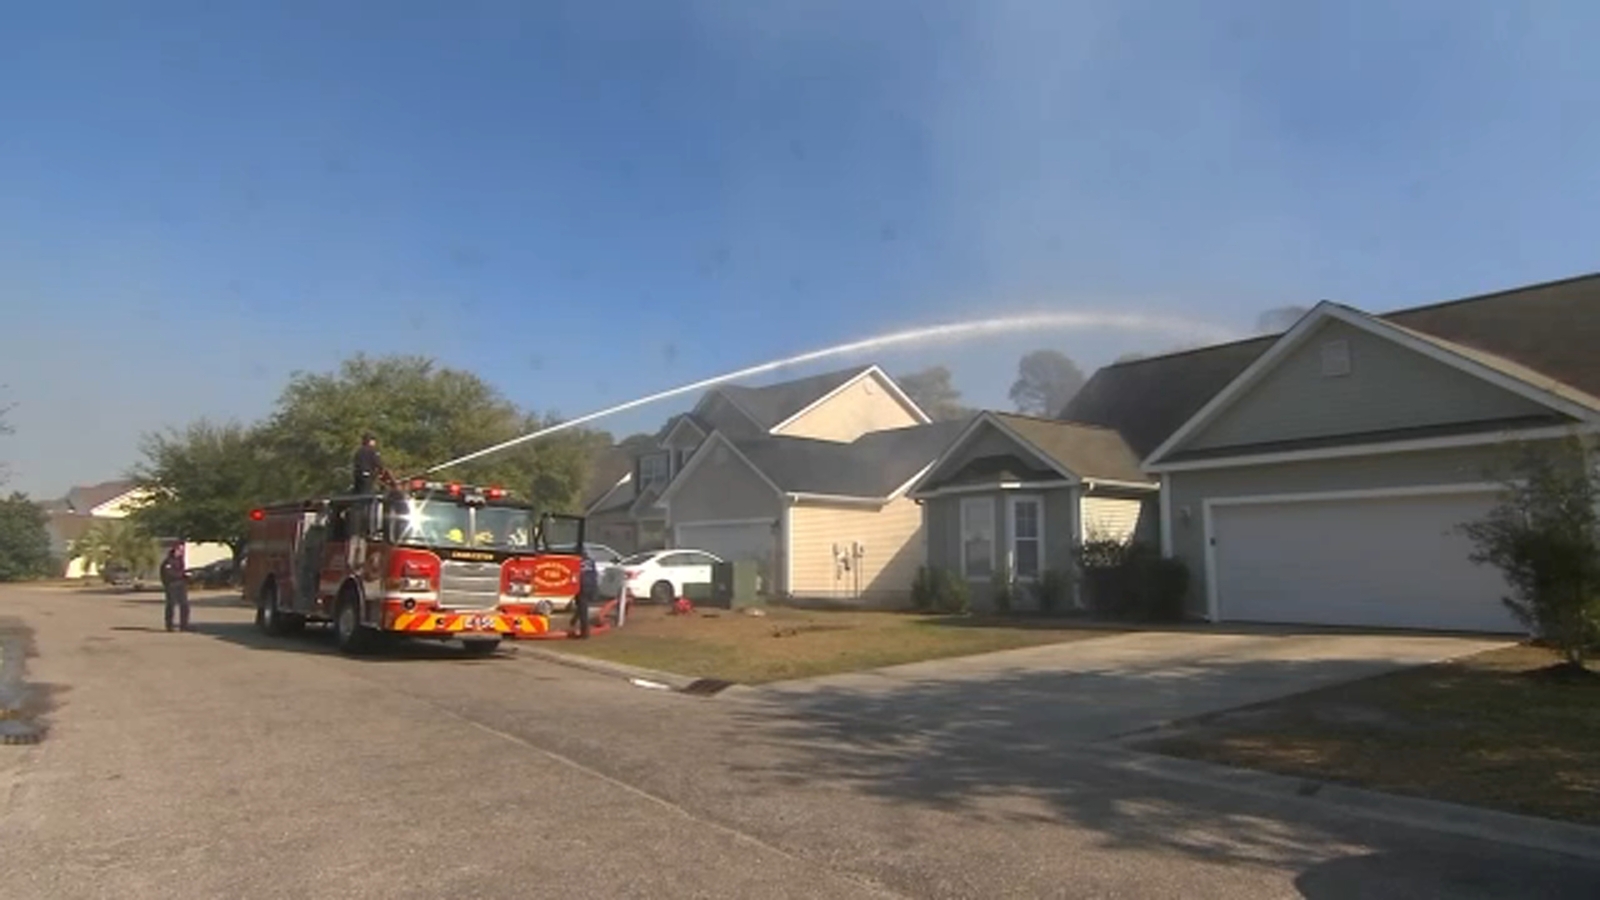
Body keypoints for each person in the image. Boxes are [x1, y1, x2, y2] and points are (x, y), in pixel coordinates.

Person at [159, 543, 191, 633]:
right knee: (171, 605)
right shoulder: (168, 561)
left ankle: (184, 625)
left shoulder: (181, 560)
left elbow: (182, 571)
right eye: (180, 550)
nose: (181, 552)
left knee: (184, 605)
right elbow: (168, 574)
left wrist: (186, 576)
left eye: (182, 550)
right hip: (171, 585)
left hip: (181, 585)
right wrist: (181, 575)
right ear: (175, 550)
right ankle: (169, 625)